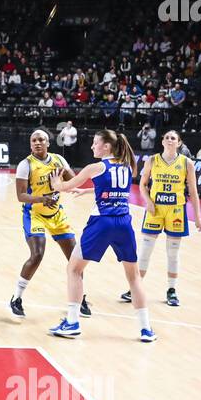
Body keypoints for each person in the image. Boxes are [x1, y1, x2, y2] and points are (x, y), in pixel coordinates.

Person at [48, 129, 155, 342]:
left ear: (106, 146)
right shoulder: (128, 166)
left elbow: (65, 187)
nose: (92, 147)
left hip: (102, 222)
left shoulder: (94, 167)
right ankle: (146, 329)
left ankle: (72, 322)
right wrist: (88, 192)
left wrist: (55, 183)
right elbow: (115, 190)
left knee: (74, 269)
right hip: (124, 223)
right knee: (133, 277)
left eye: (95, 143)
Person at [9, 129, 91, 320]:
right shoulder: (25, 165)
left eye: (41, 139)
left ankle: (80, 298)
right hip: (35, 213)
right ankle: (16, 298)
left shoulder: (58, 161)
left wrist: (69, 181)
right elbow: (21, 196)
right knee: (37, 255)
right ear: (31, 145)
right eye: (34, 140)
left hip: (56, 214)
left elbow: (73, 182)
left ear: (48, 143)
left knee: (76, 258)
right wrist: (41, 199)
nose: (37, 142)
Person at [121, 130, 201, 308]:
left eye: (173, 138)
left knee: (173, 253)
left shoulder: (187, 163)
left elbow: (194, 192)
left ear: (179, 143)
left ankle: (172, 290)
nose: (170, 140)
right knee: (145, 251)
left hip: (176, 211)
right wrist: (147, 201)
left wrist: (198, 216)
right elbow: (142, 185)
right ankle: (135, 288)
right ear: (162, 141)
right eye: (167, 137)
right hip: (155, 209)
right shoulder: (152, 160)